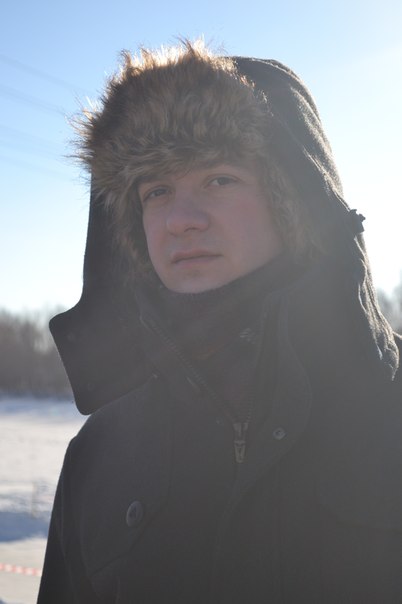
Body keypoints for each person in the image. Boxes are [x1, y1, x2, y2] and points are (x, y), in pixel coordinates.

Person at [37, 41, 402, 603]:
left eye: (219, 179)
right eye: (157, 191)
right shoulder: (99, 452)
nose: (180, 220)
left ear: (293, 201)